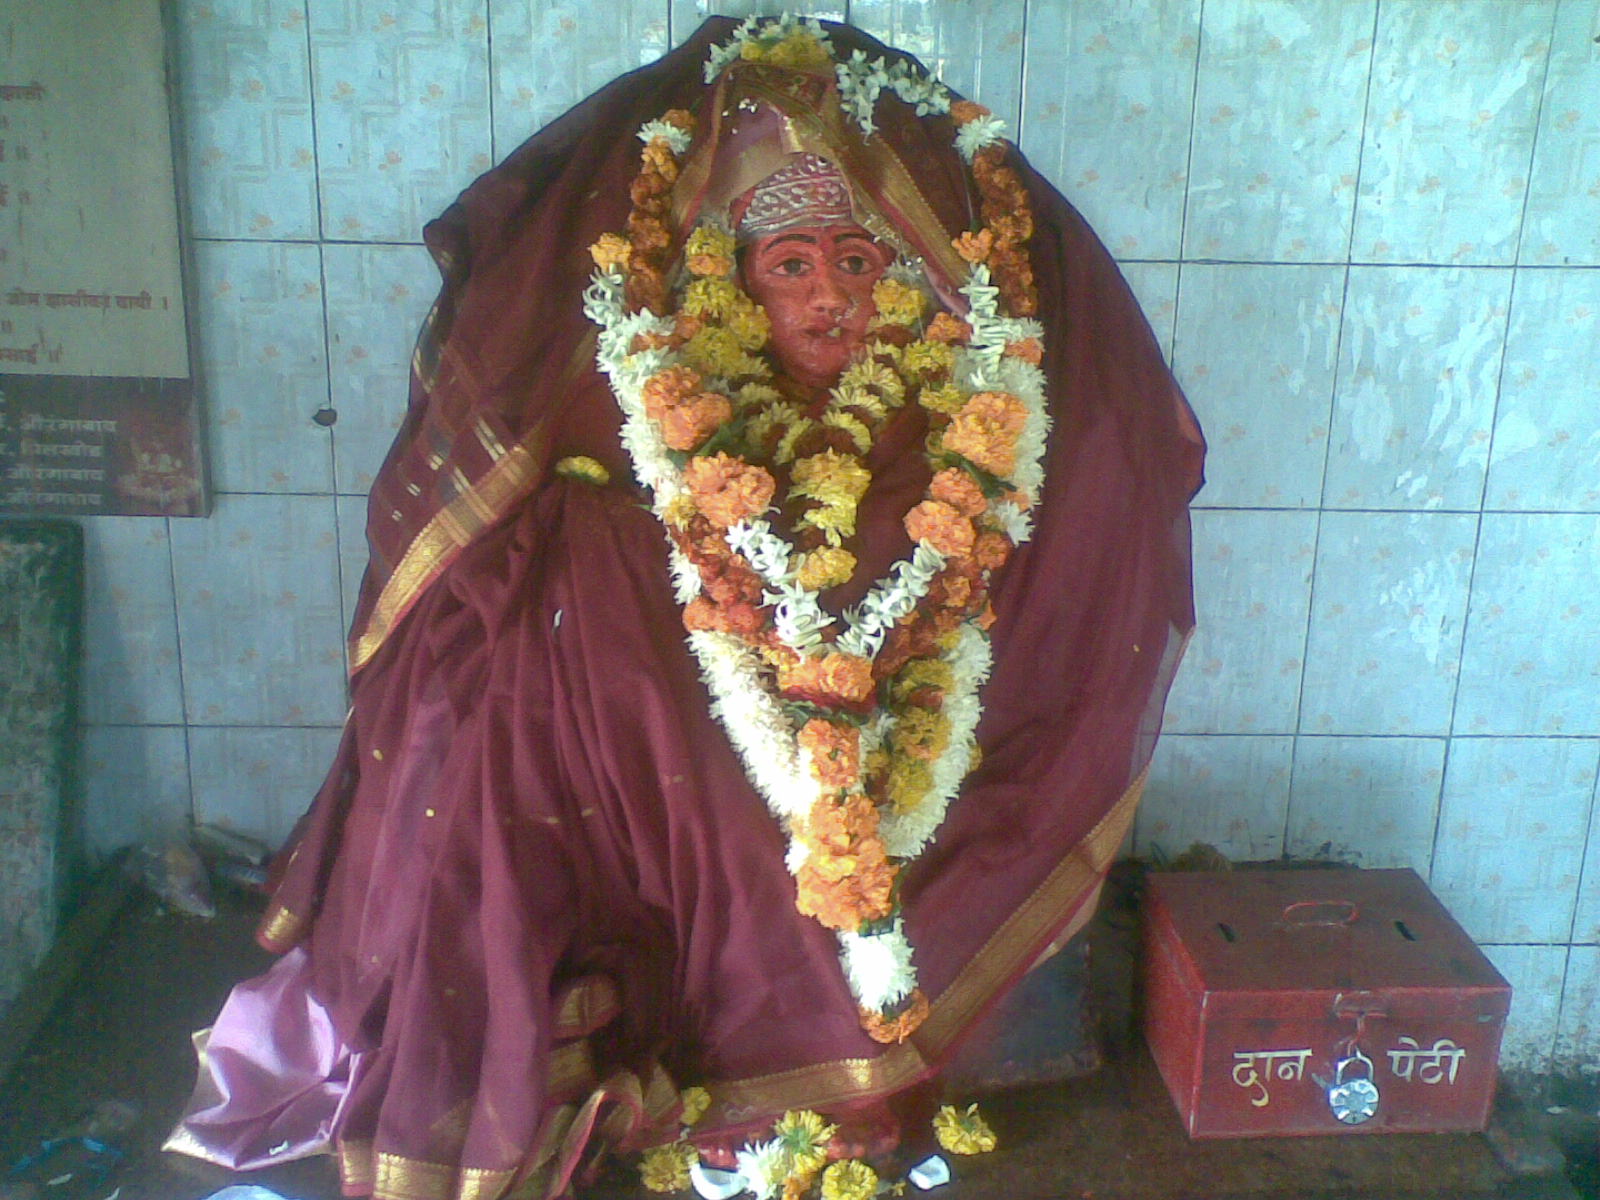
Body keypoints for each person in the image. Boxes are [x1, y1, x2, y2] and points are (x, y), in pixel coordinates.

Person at [167, 16, 1203, 1200]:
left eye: (856, 263)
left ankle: (818, 1067)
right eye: (791, 265)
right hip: (661, 649)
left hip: (867, 685)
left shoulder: (949, 419)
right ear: (728, 274)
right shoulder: (658, 389)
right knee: (530, 650)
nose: (830, 299)